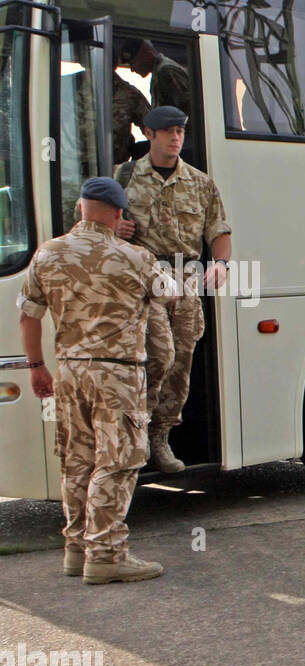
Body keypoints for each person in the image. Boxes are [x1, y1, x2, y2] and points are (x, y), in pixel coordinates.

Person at [16, 178, 178, 583]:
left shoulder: (47, 253)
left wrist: (37, 366)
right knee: (119, 461)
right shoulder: (135, 257)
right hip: (117, 374)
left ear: (80, 209)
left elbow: (27, 315)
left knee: (77, 461)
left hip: (69, 371)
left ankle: (76, 550)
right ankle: (106, 554)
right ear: (120, 214)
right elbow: (170, 294)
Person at [114, 106, 232, 473]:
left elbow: (219, 231)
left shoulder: (199, 182)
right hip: (146, 279)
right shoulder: (125, 176)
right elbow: (89, 215)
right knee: (158, 357)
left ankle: (159, 439)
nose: (175, 137)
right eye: (167, 131)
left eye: (180, 130)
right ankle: (136, 435)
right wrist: (113, 229)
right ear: (149, 134)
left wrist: (222, 264)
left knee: (181, 364)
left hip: (186, 281)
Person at [118, 39, 190, 115]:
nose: (132, 69)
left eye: (133, 63)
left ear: (147, 55)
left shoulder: (166, 71)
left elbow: (187, 108)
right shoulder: (159, 71)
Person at [111, 71, 150, 166]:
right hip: (73, 170)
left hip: (115, 170)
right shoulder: (71, 86)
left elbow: (155, 131)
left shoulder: (129, 95)